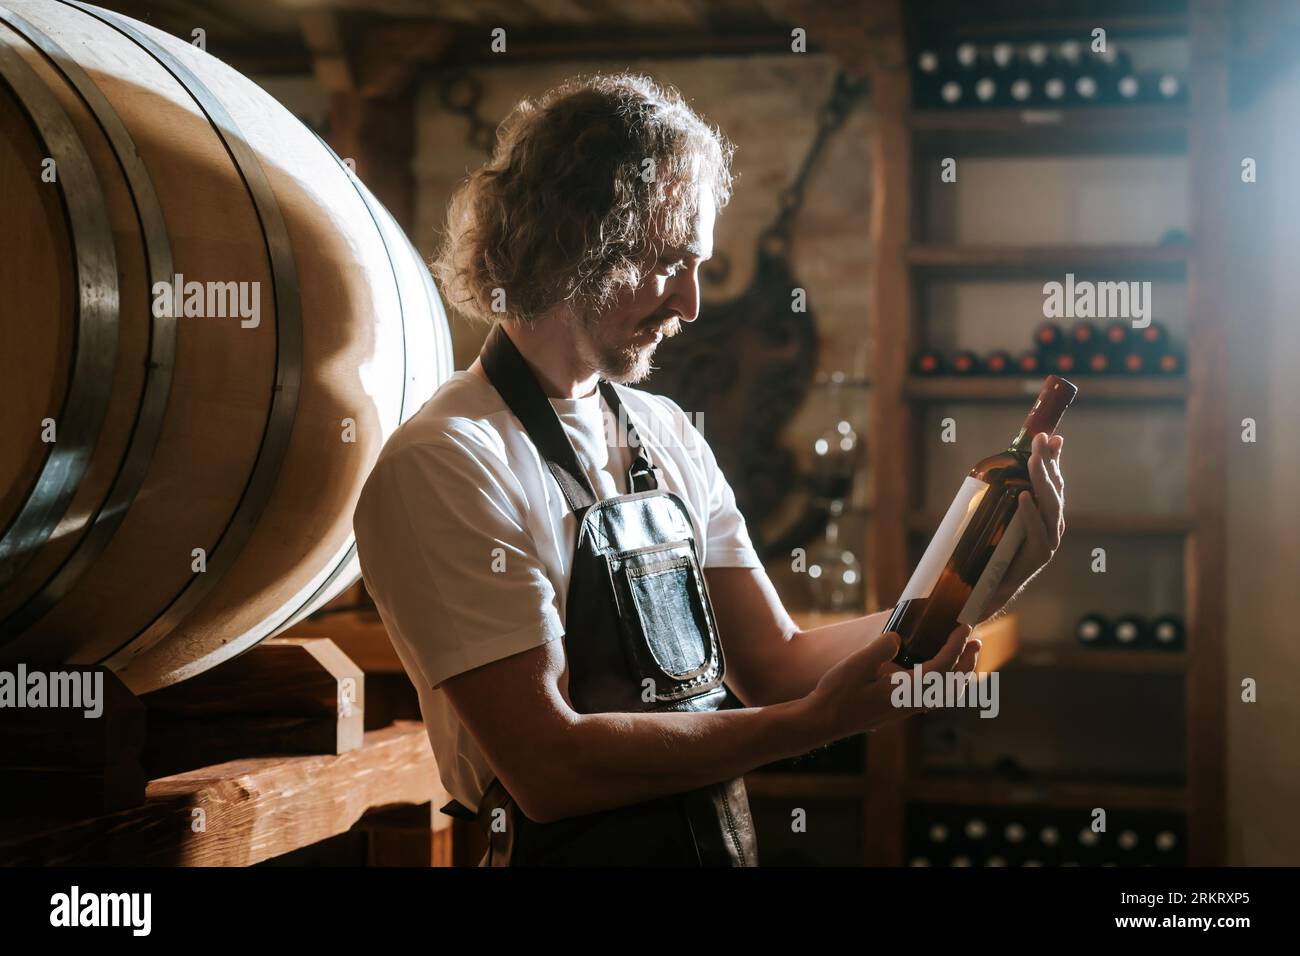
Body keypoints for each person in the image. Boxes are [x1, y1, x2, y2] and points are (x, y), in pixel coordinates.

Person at [353, 73, 1067, 866]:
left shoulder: (664, 434)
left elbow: (777, 663)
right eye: (670, 262)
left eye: (701, 266)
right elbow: (548, 768)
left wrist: (992, 570)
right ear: (574, 242)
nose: (692, 304)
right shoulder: (450, 462)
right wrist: (809, 728)